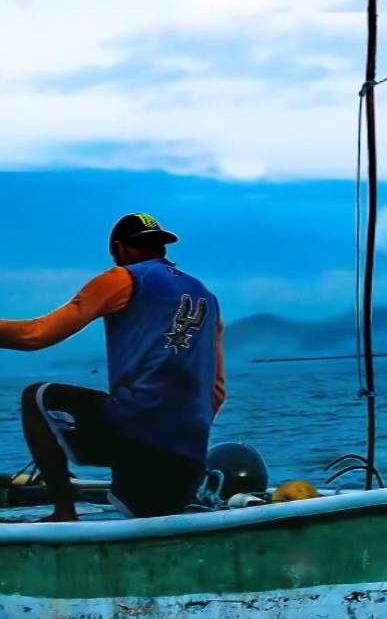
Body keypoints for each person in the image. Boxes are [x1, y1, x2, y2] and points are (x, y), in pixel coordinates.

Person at [0, 213, 225, 521]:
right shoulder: (207, 298)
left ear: (119, 249)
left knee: (35, 397)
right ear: (161, 248)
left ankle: (64, 511)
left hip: (136, 433)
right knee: (147, 513)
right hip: (188, 454)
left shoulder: (122, 278)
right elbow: (216, 392)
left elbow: (36, 335)